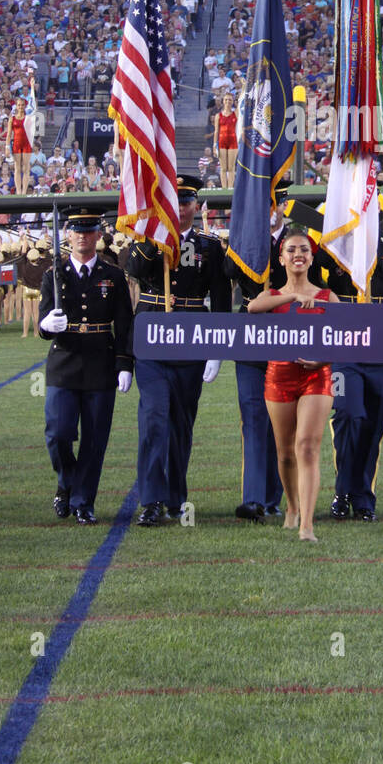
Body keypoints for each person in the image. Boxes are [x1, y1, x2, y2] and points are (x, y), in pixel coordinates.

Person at [126, 176, 231, 526]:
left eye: (187, 202)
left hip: (193, 341)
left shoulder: (210, 246)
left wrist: (217, 350)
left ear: (197, 207)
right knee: (154, 417)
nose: (181, 208)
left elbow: (219, 299)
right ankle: (152, 500)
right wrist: (156, 241)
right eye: (175, 201)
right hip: (153, 339)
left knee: (181, 424)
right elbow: (135, 270)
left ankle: (175, 496)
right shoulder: (149, 240)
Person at [316, 226, 383, 521]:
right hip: (343, 348)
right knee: (348, 414)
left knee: (373, 424)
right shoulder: (336, 240)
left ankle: (363, 498)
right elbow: (316, 273)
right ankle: (342, 490)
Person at [38, 210, 134, 524]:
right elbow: (43, 324)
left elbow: (123, 322)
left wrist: (124, 363)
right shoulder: (55, 273)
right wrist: (47, 324)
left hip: (100, 362)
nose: (82, 236)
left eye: (89, 231)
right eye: (77, 231)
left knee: (94, 440)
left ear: (97, 236)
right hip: (64, 360)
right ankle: (66, 482)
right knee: (58, 433)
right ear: (68, 235)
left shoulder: (113, 274)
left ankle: (82, 501)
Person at [247, 231, 340, 542]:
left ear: (312, 258)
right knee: (286, 452)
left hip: (317, 375)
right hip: (279, 376)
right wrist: (293, 297)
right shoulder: (272, 296)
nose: (298, 254)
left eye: (304, 249)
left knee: (307, 447)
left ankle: (307, 526)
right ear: (282, 258)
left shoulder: (328, 296)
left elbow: (345, 338)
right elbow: (252, 309)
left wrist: (323, 359)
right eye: (292, 249)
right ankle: (292, 507)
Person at [224, 188, 292, 522]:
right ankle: (252, 499)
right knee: (252, 417)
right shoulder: (244, 240)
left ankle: (273, 496)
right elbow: (226, 272)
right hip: (250, 339)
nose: (269, 210)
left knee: (280, 421)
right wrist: (244, 237)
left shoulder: (297, 242)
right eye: (263, 203)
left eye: (274, 203)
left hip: (287, 339)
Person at [5, 80, 35, 195]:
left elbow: (33, 102)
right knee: (17, 168)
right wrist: (7, 147)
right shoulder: (12, 118)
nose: (21, 107)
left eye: (22, 105)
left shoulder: (28, 116)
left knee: (26, 168)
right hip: (17, 143)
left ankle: (24, 191)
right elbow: (8, 134)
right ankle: (18, 191)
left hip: (26, 143)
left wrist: (32, 87)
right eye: (19, 105)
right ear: (16, 106)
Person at [213, 91, 239, 188]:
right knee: (223, 168)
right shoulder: (218, 116)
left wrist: (244, 87)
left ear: (232, 101)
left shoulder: (235, 113)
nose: (228, 101)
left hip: (233, 142)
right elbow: (216, 131)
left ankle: (230, 187)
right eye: (226, 99)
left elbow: (241, 103)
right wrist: (214, 145)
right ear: (223, 101)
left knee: (231, 168)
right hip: (222, 142)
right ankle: (224, 188)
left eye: (230, 100)